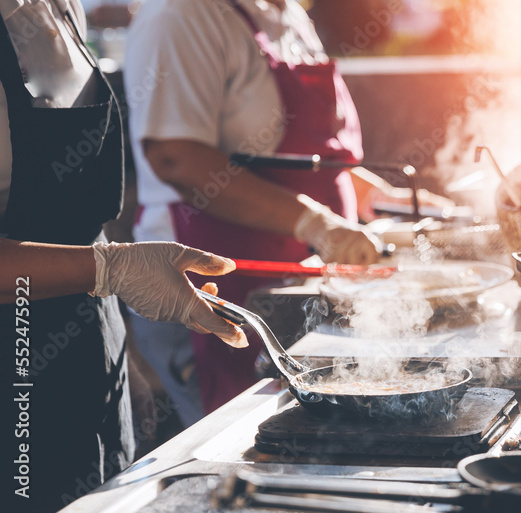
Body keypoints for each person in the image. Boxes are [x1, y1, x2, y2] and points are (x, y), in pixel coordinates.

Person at [124, 0, 438, 414]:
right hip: (215, 291)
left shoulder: (285, 11)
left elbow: (299, 157)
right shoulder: (179, 15)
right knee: (243, 456)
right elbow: (176, 157)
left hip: (298, 283)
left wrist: (378, 199)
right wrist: (316, 223)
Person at [0, 1, 247, 511]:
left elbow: (76, 205)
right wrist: (113, 269)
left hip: (89, 343)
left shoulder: (59, 8)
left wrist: (119, 340)